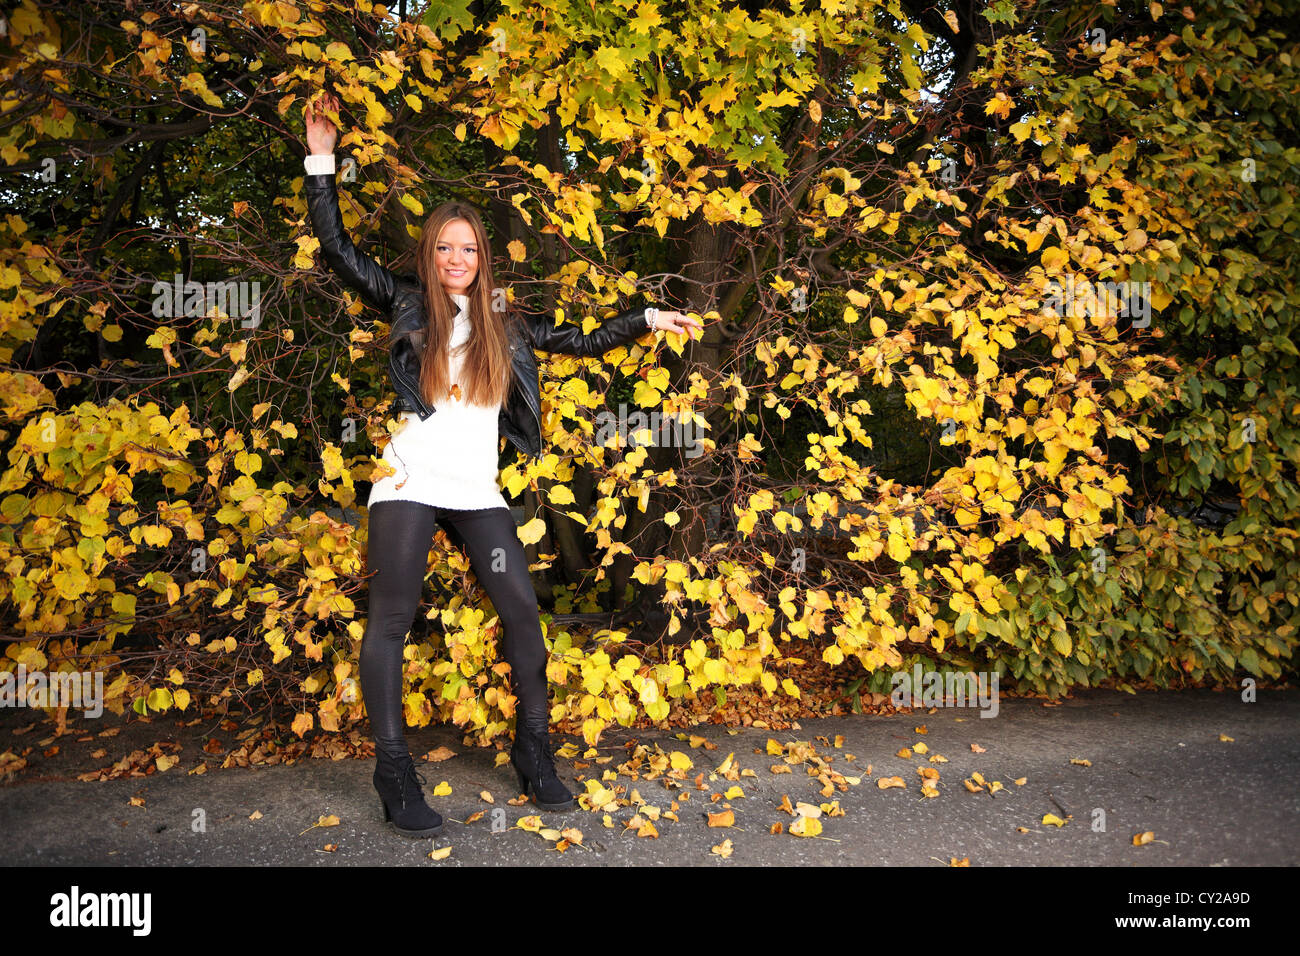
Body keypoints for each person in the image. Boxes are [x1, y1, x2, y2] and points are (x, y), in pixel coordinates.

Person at [301, 92, 702, 837]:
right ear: (431, 256)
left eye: (469, 249)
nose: (457, 259)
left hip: (475, 493)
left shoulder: (505, 326)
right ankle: (394, 775)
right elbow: (337, 251)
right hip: (411, 485)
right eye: (445, 248)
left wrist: (647, 319)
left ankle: (534, 753)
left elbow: (578, 341)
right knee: (391, 621)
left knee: (523, 614)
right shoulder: (406, 301)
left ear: (482, 259)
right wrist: (321, 162)